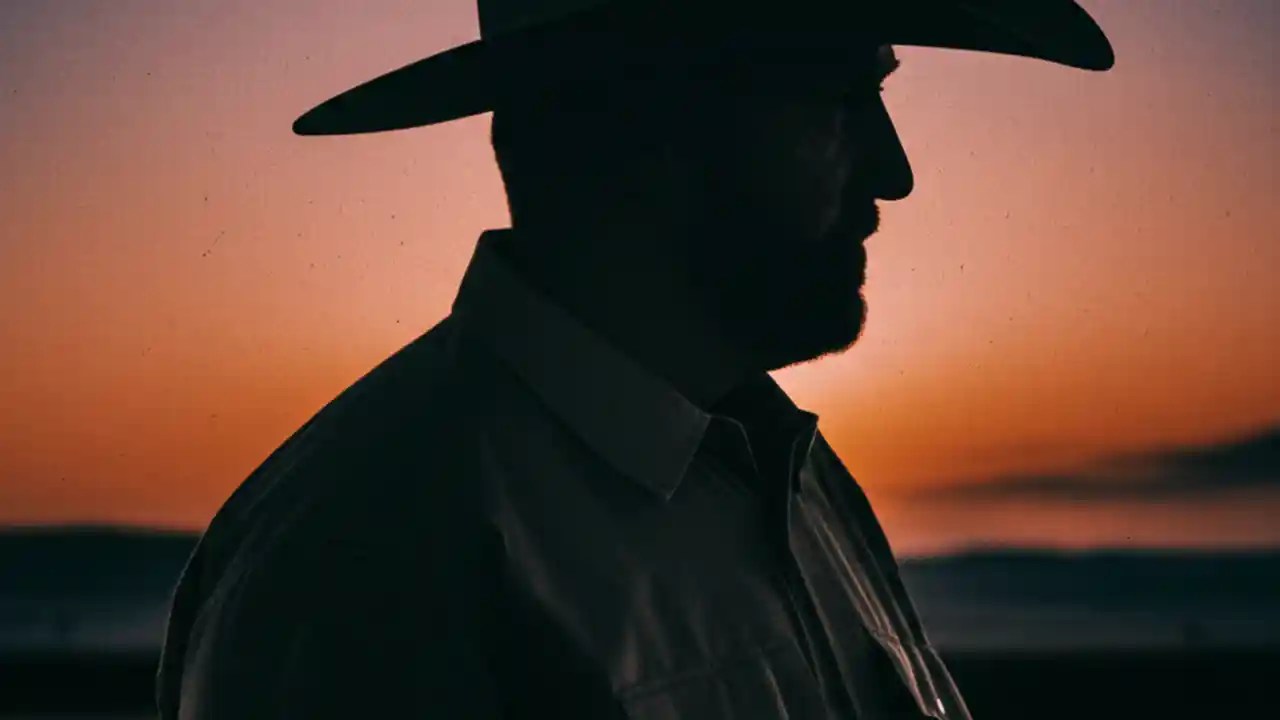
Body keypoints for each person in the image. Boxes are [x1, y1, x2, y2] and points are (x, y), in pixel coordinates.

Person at [157, 1, 1114, 718]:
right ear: (646, 124)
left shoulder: (790, 478)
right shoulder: (362, 562)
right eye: (836, 101)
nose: (893, 171)